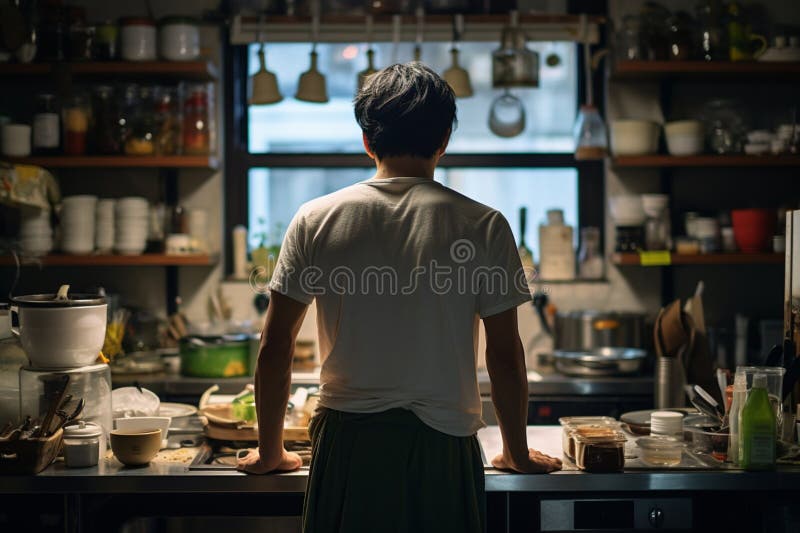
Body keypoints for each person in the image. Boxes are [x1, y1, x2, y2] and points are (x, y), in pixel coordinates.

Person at [237, 62, 562, 532]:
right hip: (444, 445)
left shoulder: (315, 218)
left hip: (347, 442)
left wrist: (271, 452)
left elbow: (275, 346)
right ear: (443, 141)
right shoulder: (483, 224)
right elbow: (507, 356)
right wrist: (514, 451)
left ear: (367, 141)